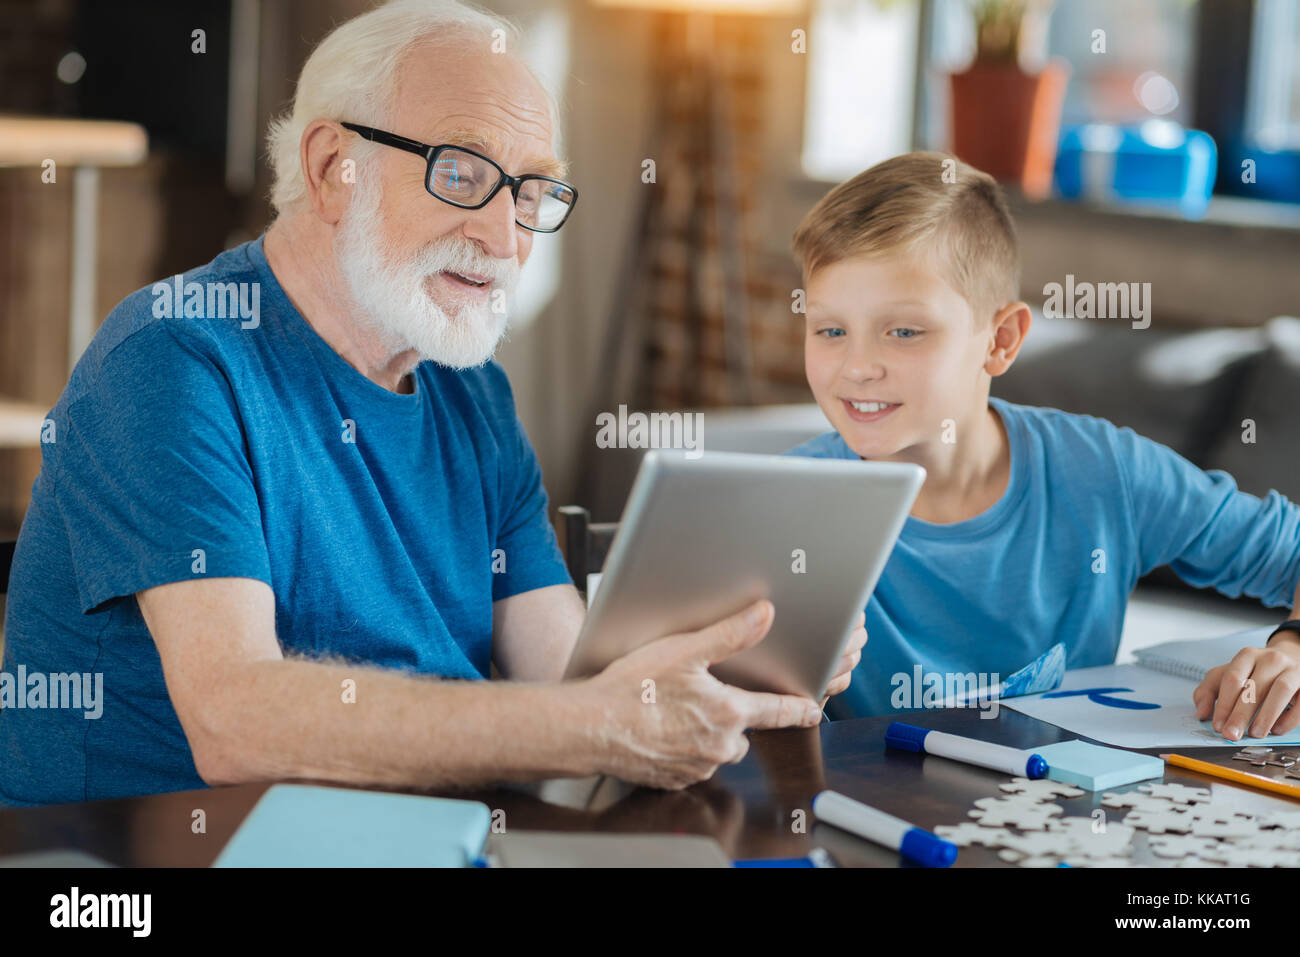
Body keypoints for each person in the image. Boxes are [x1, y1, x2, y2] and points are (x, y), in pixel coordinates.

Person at [0, 0, 864, 806]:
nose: (507, 236)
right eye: (463, 173)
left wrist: (744, 660)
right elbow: (235, 721)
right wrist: (603, 723)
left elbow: (566, 673)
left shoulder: (474, 393)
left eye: (531, 191)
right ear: (334, 167)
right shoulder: (174, 357)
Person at [784, 151, 1300, 736]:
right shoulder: (785, 509)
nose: (857, 368)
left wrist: (1292, 648)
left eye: (904, 331)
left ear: (1000, 340)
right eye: (830, 330)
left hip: (1067, 813)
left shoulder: (1103, 471)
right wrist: (778, 692)